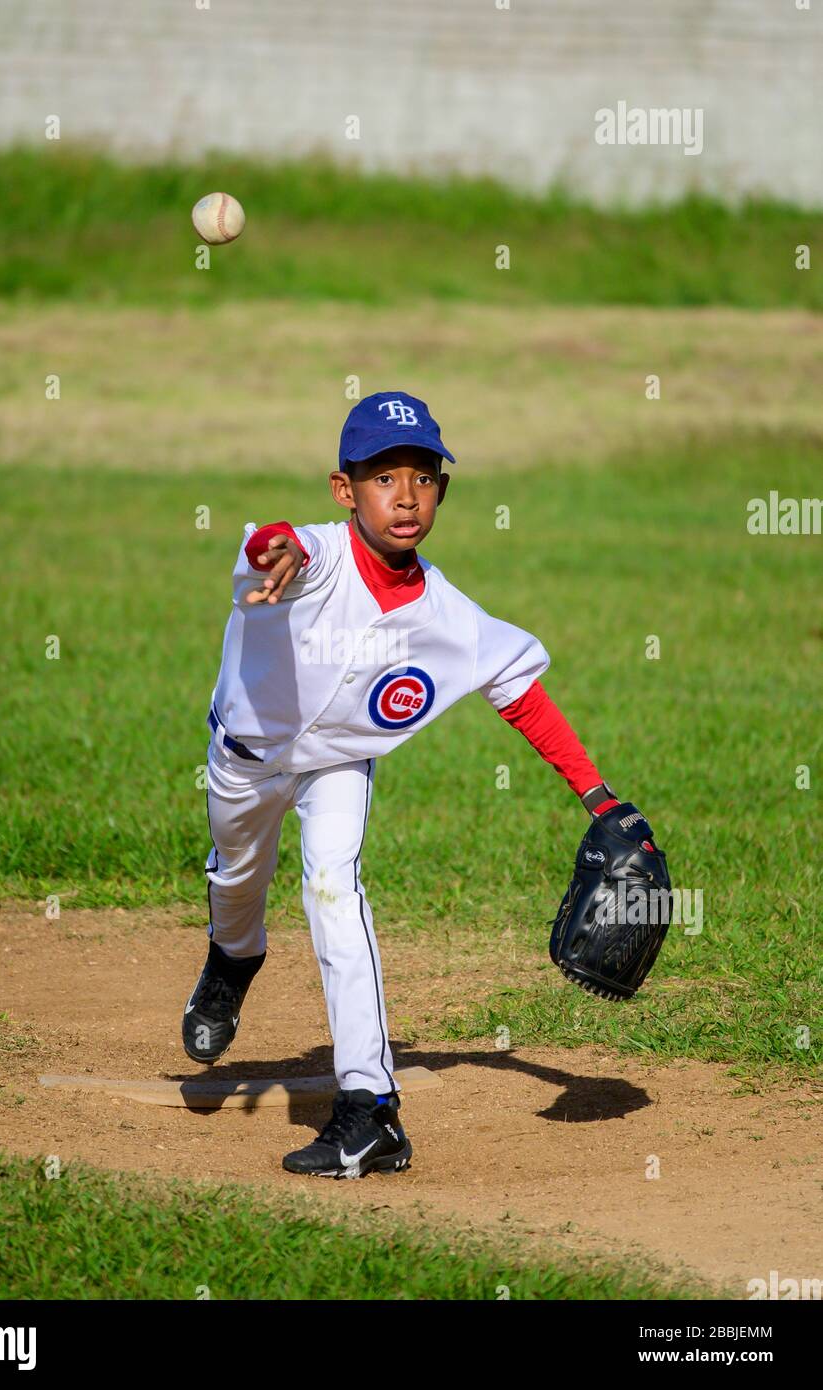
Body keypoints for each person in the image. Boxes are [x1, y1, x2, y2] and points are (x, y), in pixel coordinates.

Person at [183, 391, 621, 1179]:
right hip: (243, 762)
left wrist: (601, 799)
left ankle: (368, 1110)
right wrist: (274, 548)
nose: (407, 495)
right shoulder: (309, 558)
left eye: (423, 476)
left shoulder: (447, 613)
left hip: (338, 769)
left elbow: (519, 691)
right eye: (385, 477)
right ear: (344, 491)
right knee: (237, 884)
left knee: (333, 890)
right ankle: (232, 961)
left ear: (442, 492)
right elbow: (273, 545)